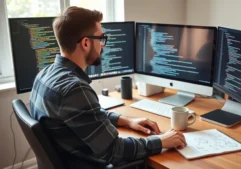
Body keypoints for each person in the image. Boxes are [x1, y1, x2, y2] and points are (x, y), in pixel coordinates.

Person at [29, 6, 187, 168]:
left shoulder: (45, 74)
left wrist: (125, 121)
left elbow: (85, 116)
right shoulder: (74, 89)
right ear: (85, 43)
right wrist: (161, 141)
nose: (103, 45)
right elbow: (114, 151)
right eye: (101, 38)